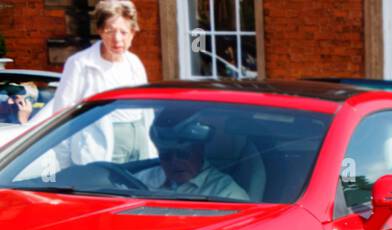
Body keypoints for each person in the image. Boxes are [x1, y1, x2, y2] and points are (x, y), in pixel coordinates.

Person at [41, 1, 148, 162]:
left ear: (133, 32)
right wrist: (67, 166)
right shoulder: (79, 64)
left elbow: (147, 113)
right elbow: (62, 116)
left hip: (139, 144)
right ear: (99, 31)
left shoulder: (134, 63)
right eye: (109, 31)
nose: (117, 39)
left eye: (123, 32)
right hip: (101, 150)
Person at [137, 110, 249, 201]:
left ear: (200, 150)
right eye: (166, 155)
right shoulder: (142, 179)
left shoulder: (227, 193)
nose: (174, 162)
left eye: (182, 154)